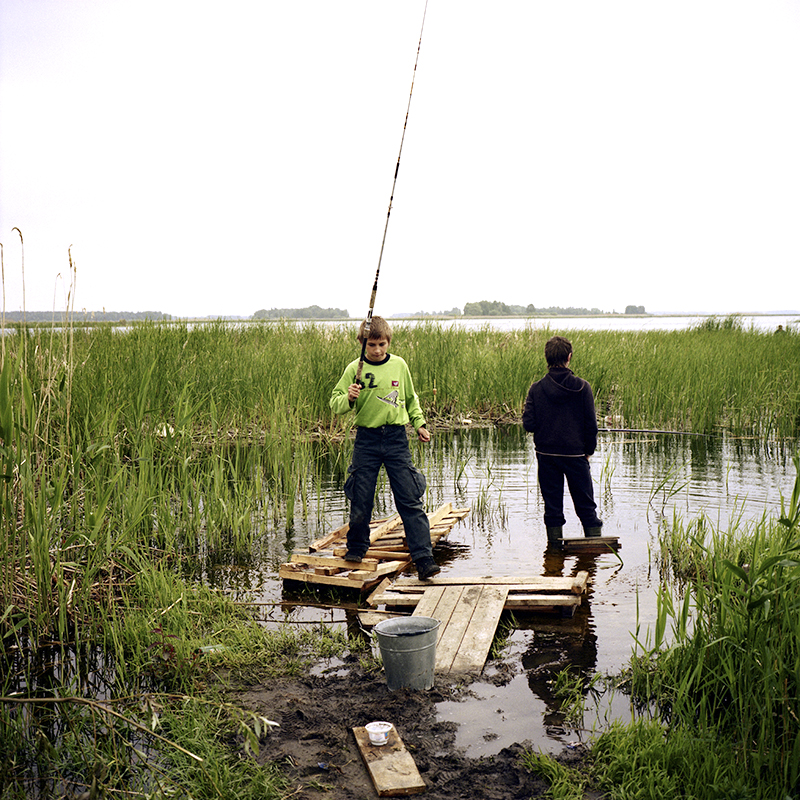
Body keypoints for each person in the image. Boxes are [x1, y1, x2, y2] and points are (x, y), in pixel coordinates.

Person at [329, 316, 440, 580]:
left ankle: (424, 559)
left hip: (396, 438)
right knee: (361, 498)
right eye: (371, 345)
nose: (377, 350)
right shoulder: (353, 369)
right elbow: (335, 403)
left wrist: (420, 424)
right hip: (366, 440)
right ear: (362, 343)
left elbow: (411, 398)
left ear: (388, 342)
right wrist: (349, 397)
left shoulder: (399, 365)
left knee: (409, 499)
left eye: (382, 344)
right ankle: (356, 549)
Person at [522, 335, 602, 545]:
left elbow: (528, 424)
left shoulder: (536, 389)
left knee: (553, 510)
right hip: (576, 455)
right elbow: (591, 426)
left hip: (547, 456)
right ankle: (592, 558)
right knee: (586, 508)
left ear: (547, 358)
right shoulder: (583, 387)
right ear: (569, 357)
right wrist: (588, 451)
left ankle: (554, 560)